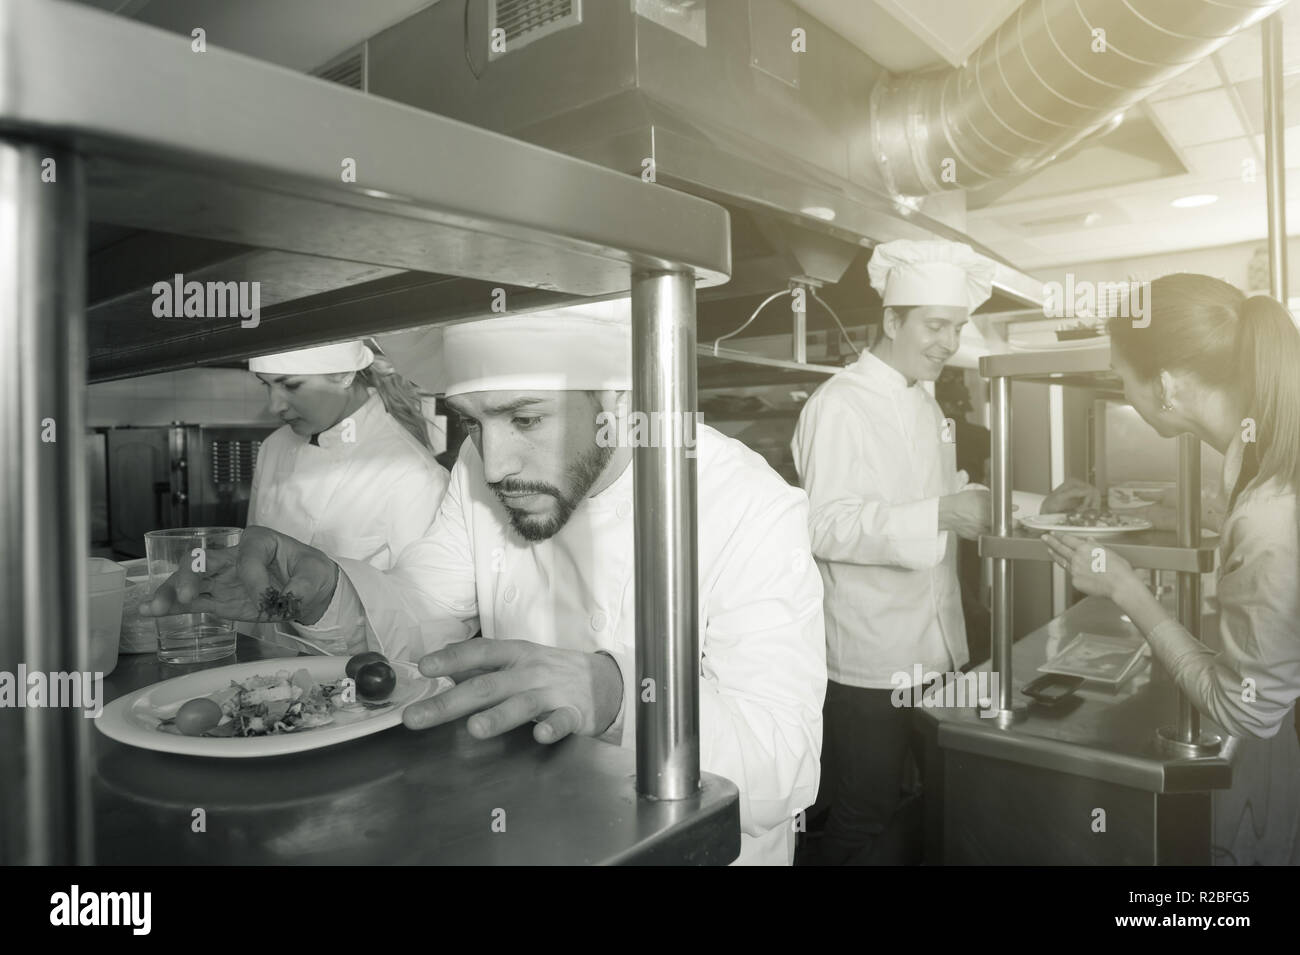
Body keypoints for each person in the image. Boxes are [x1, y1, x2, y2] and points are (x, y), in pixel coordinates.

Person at [145, 302, 827, 865]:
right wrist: (326, 589)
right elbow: (424, 622)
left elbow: (782, 758)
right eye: (475, 420)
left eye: (525, 418)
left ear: (619, 400)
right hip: (528, 833)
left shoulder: (748, 505)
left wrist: (614, 692)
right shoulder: (478, 465)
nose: (494, 462)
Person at [791, 239, 1098, 866]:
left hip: (938, 649)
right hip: (869, 663)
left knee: (933, 796)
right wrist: (939, 513)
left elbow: (954, 498)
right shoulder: (838, 405)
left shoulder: (926, 403)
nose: (948, 341)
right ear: (891, 320)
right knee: (863, 810)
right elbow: (824, 526)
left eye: (956, 327)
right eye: (935, 325)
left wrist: (1043, 505)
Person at [1043, 273, 1300, 865]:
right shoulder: (1261, 453)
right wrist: (1146, 500)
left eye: (1120, 378)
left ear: (1163, 386)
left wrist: (1126, 589)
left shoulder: (1270, 514)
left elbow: (1246, 710)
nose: (1121, 390)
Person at [245, 340, 449, 650]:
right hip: (270, 663)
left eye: (291, 385)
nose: (276, 406)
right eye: (267, 386)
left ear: (344, 375)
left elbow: (427, 621)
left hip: (353, 675)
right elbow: (253, 559)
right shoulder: (274, 447)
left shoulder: (412, 473)